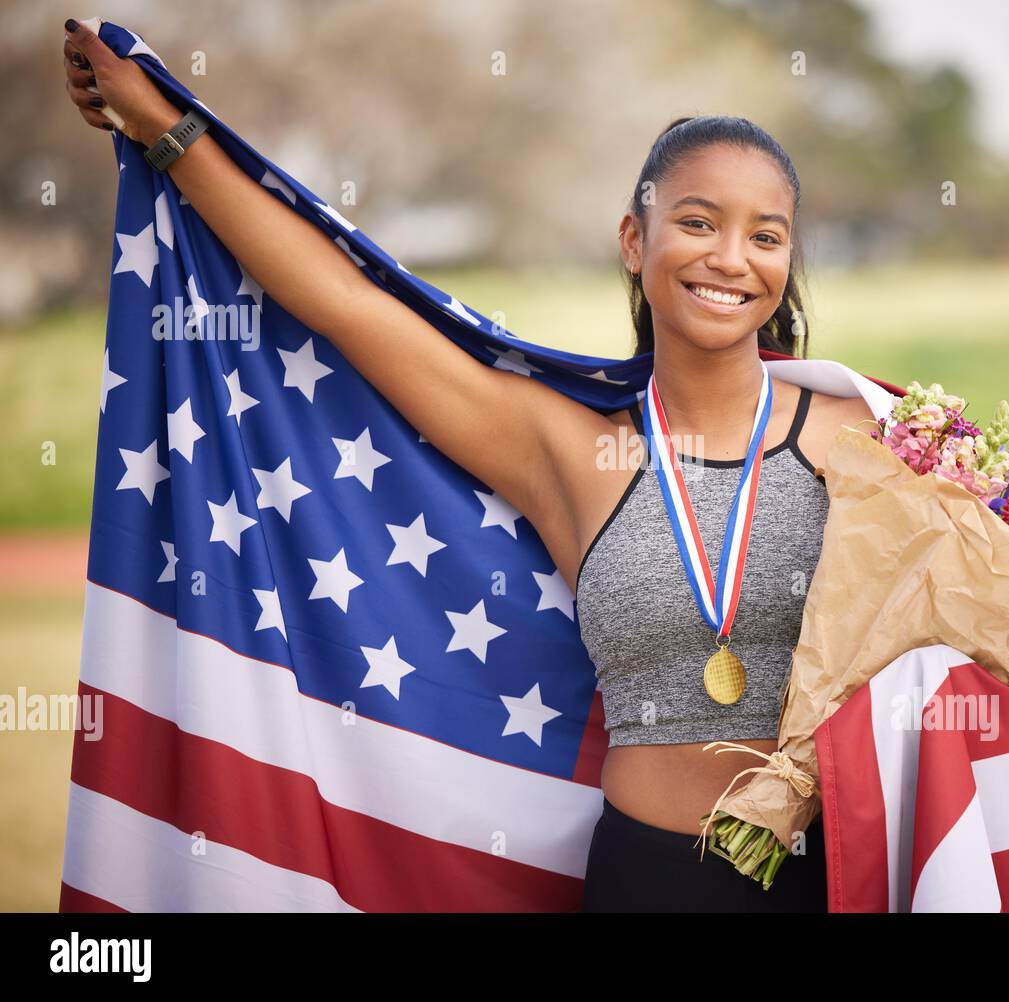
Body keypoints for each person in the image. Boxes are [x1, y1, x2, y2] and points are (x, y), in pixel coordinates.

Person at [60, 19, 876, 912]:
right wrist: (168, 134)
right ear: (635, 242)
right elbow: (346, 306)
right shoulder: (565, 451)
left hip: (833, 879)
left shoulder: (862, 441)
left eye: (766, 235)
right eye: (696, 222)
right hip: (649, 881)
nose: (730, 258)